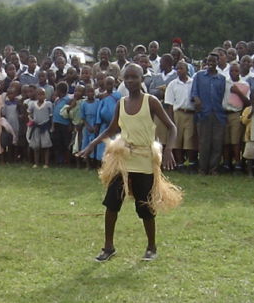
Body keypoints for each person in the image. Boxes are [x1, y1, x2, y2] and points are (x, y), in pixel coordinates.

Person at [78, 64, 180, 262]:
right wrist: (92, 144)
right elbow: (110, 130)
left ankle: (151, 246)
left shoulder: (151, 102)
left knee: (145, 207)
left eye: (134, 77)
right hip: (123, 161)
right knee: (111, 204)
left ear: (142, 79)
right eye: (127, 78)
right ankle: (108, 247)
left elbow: (172, 127)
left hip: (143, 161)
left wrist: (168, 150)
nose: (130, 81)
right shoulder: (121, 103)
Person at [191, 54, 227, 174]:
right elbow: (194, 92)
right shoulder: (199, 76)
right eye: (209, 61)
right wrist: (197, 100)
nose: (211, 63)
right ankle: (202, 168)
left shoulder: (221, 79)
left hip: (218, 114)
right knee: (204, 143)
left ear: (218, 62)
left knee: (217, 143)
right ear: (206, 62)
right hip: (203, 113)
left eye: (214, 61)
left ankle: (213, 168)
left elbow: (223, 96)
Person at [28, 88, 53, 168]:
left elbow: (51, 116)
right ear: (36, 95)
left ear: (45, 95)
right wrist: (31, 121)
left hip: (45, 127)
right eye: (39, 94)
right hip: (36, 127)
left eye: (43, 94)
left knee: (46, 146)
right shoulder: (33, 104)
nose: (41, 96)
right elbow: (29, 114)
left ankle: (46, 163)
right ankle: (36, 163)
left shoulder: (48, 104)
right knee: (36, 147)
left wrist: (52, 126)